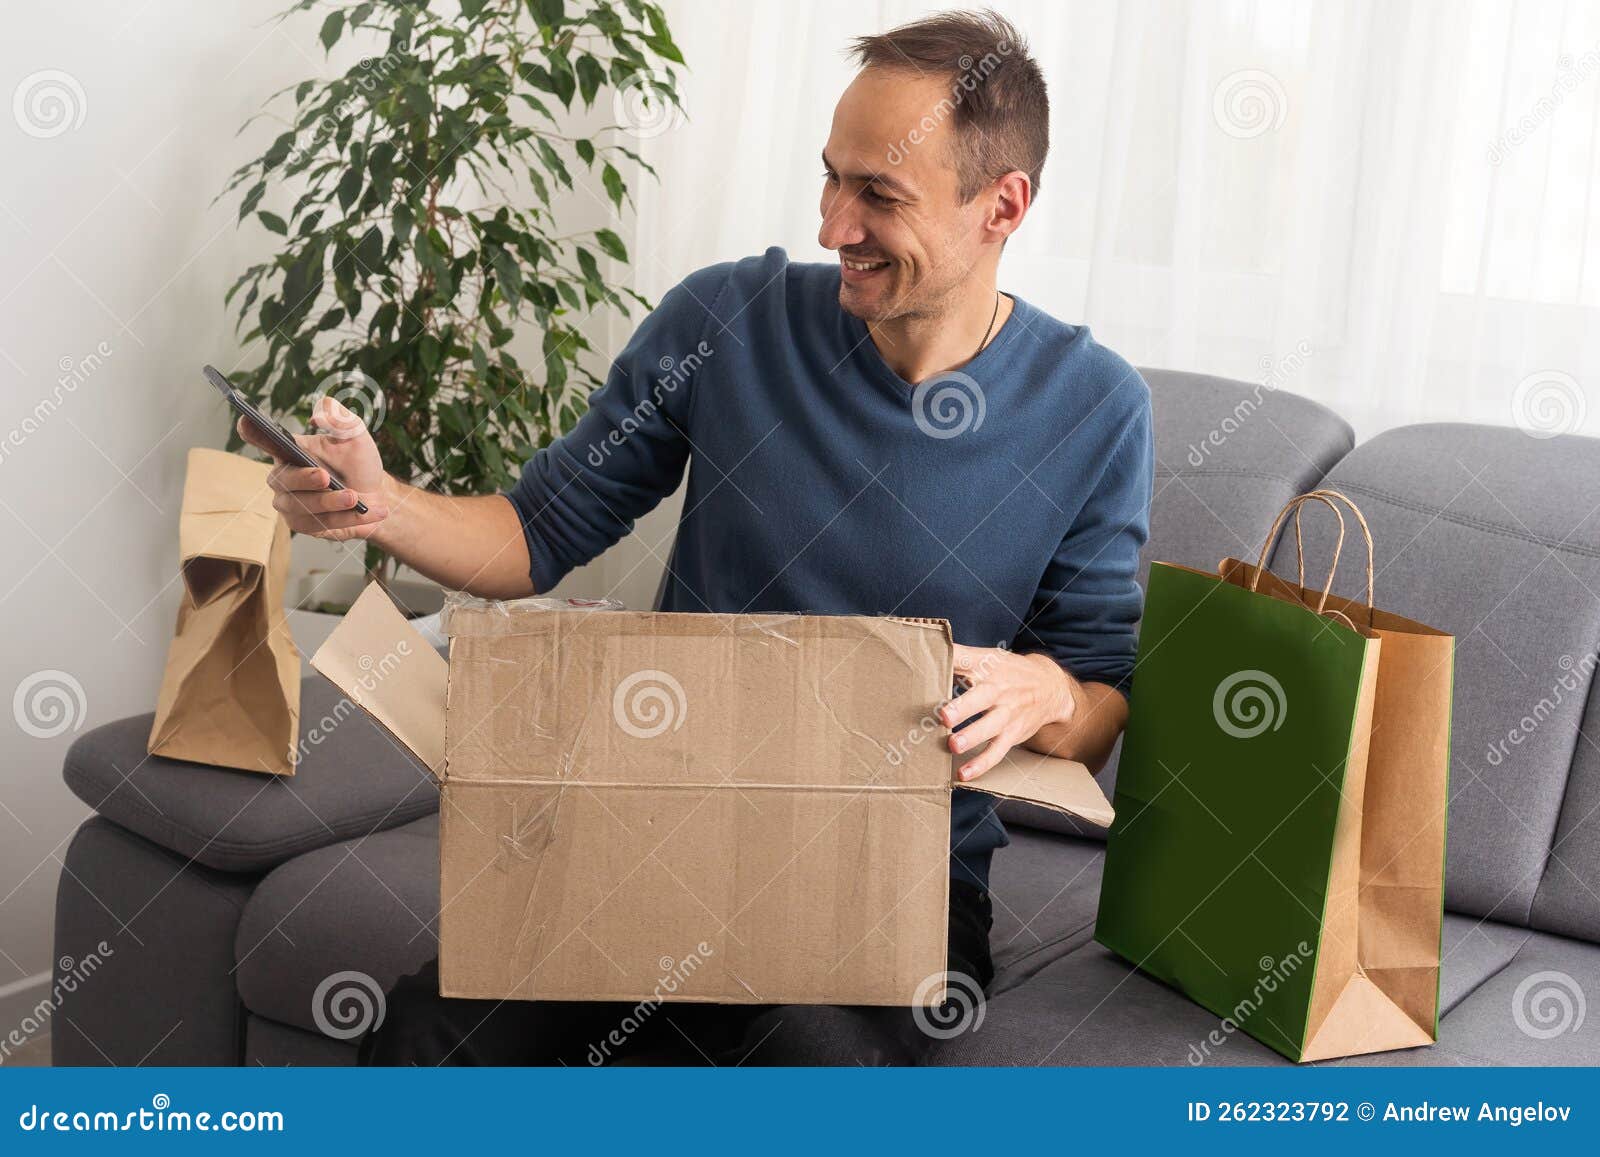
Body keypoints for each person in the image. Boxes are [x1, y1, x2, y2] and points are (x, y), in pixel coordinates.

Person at [240, 8, 1152, 1066]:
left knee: (790, 1057)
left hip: (895, 884)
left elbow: (1095, 703)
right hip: (651, 839)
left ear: (1003, 205)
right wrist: (378, 502)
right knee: (427, 1036)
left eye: (877, 195)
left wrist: (1051, 690)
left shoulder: (1092, 406)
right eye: (830, 177)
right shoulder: (728, 323)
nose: (831, 225)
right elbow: (536, 533)